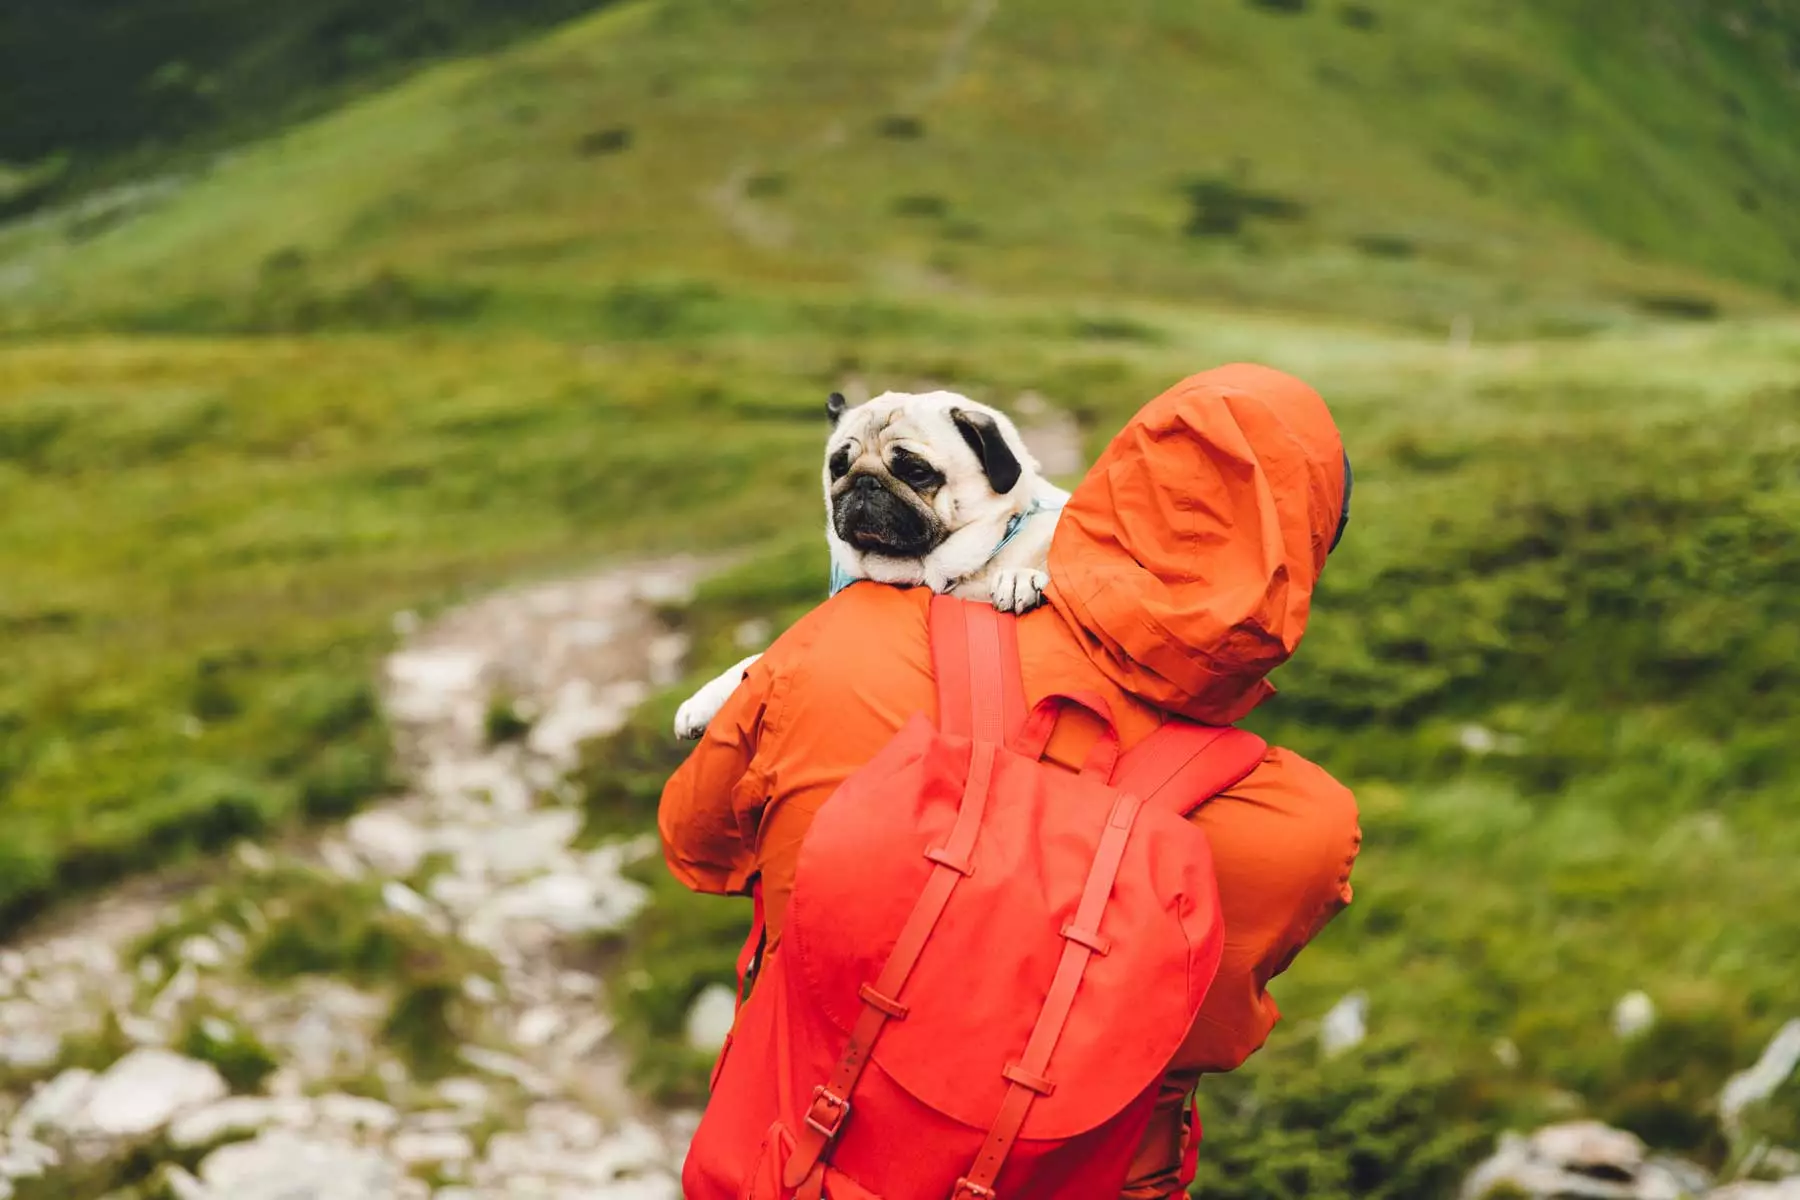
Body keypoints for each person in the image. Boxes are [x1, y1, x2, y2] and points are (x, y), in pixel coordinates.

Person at [660, 363, 1361, 1198]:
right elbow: (1203, 1037)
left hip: (795, 1156)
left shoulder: (837, 651)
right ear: (1308, 555)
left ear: (1113, 484)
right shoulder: (1300, 823)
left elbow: (697, 844)